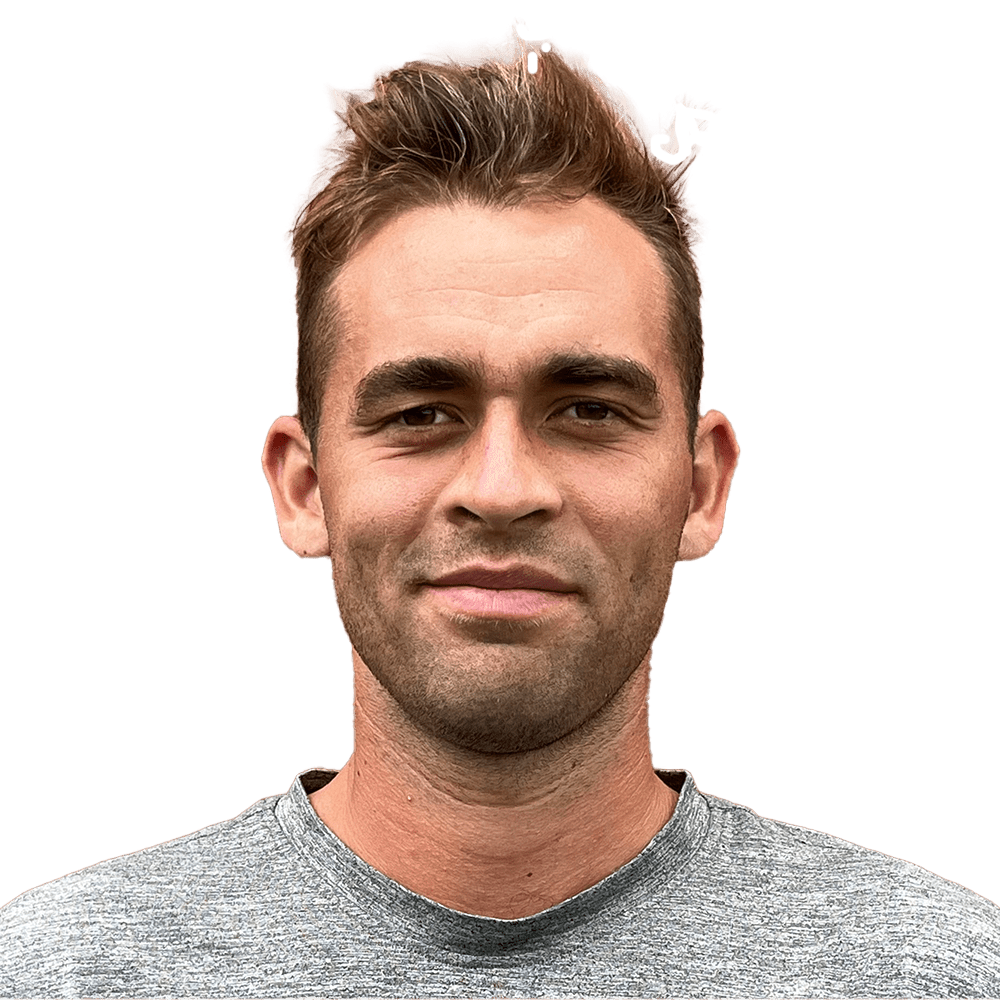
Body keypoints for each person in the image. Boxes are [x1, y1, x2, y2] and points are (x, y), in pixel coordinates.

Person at [2, 21, 997, 1000]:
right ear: (304, 488)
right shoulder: (59, 975)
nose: (502, 488)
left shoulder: (939, 975)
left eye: (589, 410)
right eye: (421, 413)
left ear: (701, 486)